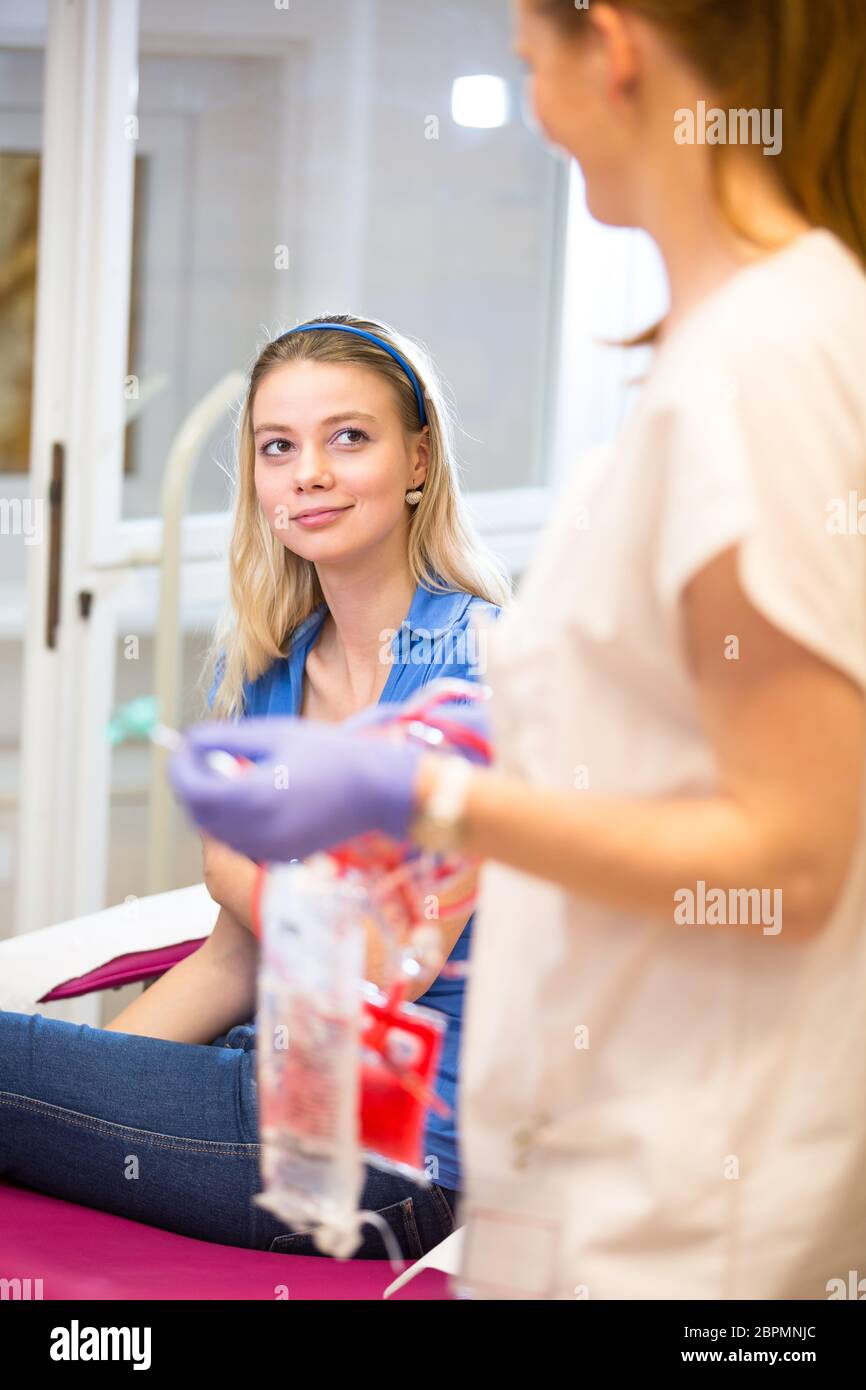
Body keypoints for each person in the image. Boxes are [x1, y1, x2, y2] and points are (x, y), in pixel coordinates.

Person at [171, 2, 866, 1297]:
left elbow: (793, 855)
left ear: (607, 44)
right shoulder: (734, 355)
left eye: (523, 49)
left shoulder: (768, 366)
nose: (521, 84)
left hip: (683, 1213)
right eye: (276, 446)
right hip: (593, 1173)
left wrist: (423, 792)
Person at [0, 314, 508, 1260]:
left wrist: (238, 872)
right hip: (260, 1085)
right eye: (279, 447)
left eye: (348, 437)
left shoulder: (474, 671)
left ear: (418, 460)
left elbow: (380, 962)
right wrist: (80, 1086)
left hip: (384, 1159)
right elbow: (231, 965)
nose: (308, 471)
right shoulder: (271, 673)